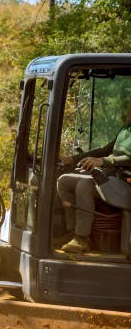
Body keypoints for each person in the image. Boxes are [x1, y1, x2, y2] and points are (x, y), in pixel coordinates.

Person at [57, 100, 131, 253]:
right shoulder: (126, 130)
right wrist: (73, 159)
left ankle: (82, 238)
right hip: (112, 178)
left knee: (85, 186)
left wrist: (102, 161)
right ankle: (73, 232)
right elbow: (103, 150)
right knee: (64, 182)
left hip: (126, 183)